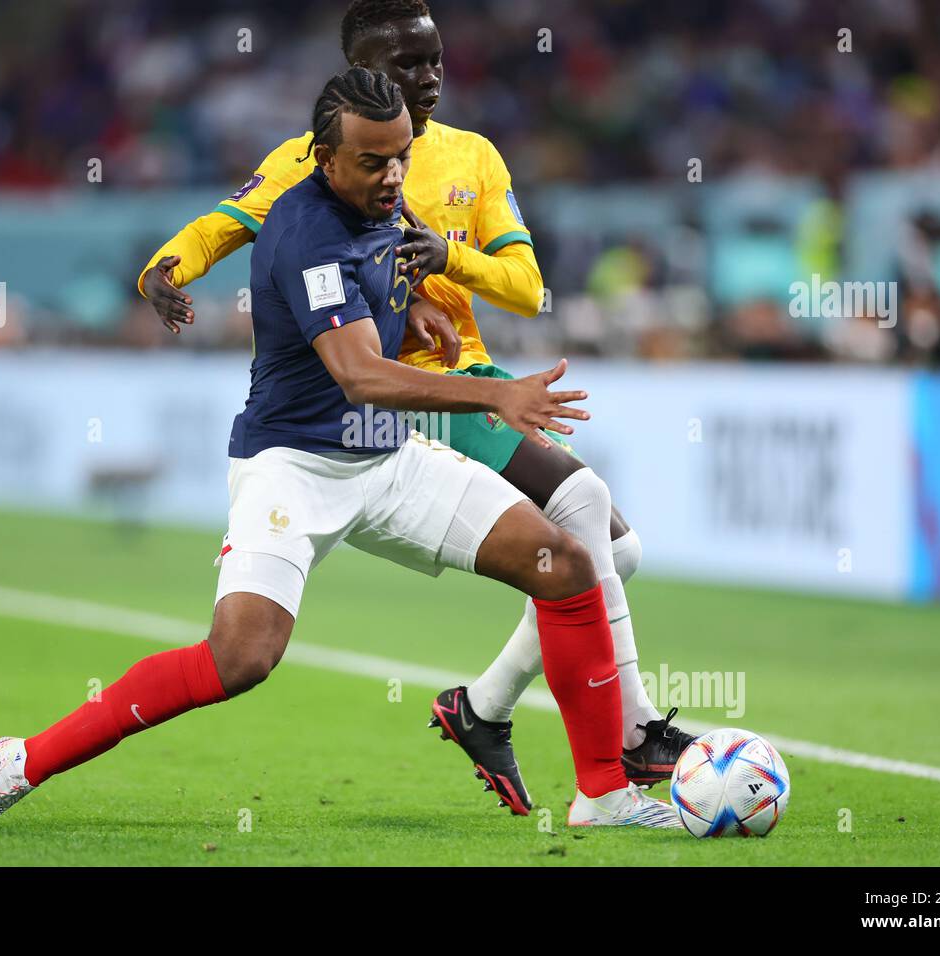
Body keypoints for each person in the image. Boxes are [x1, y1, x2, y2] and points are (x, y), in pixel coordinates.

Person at [0, 68, 680, 832]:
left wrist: (416, 305)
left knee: (562, 562)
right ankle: (17, 763)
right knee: (241, 659)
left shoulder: (380, 202)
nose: (392, 175)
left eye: (400, 156)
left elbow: (378, 277)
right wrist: (497, 394)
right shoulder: (305, 231)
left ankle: (604, 793)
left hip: (387, 460)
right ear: (324, 158)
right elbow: (358, 374)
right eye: (372, 160)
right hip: (292, 466)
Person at [138, 0, 693, 815]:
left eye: (433, 60)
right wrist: (165, 267)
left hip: (470, 367)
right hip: (409, 388)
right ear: (359, 72)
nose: (427, 77)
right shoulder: (316, 159)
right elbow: (227, 222)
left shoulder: (473, 157)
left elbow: (528, 287)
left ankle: (484, 708)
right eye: (406, 65)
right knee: (583, 505)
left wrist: (450, 258)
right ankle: (628, 733)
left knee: (615, 551)